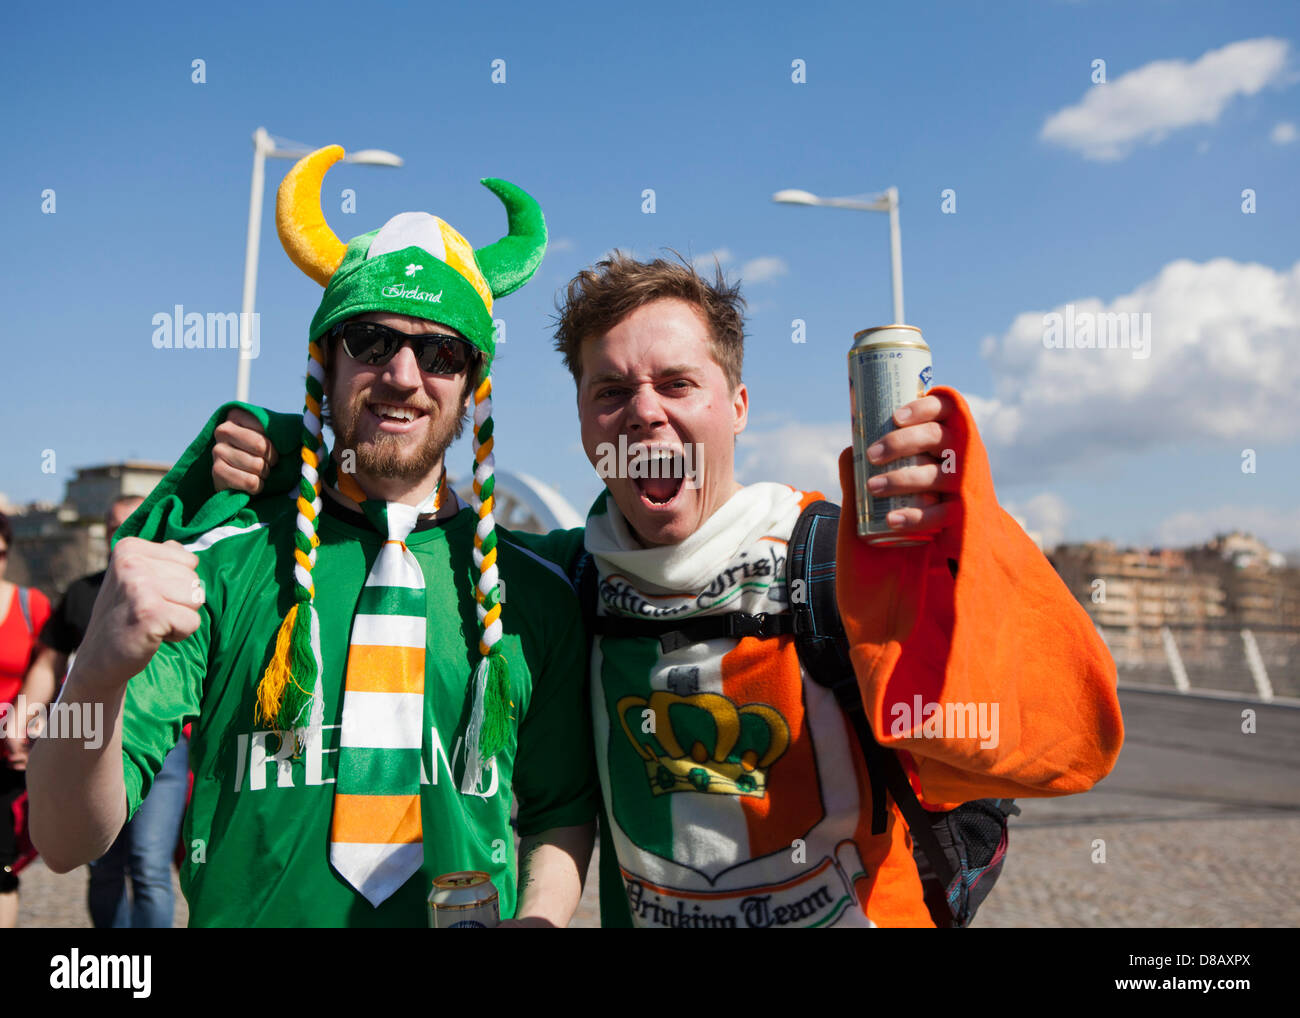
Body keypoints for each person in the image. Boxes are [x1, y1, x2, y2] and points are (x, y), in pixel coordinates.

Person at [180, 252, 1126, 927]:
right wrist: (308, 458)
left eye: (679, 382)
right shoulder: (556, 581)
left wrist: (963, 544)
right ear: (587, 425)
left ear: (738, 405)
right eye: (611, 392)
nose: (645, 411)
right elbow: (411, 509)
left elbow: (1061, 748)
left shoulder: (836, 559)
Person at [27, 146, 597, 927]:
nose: (403, 374)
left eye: (441, 352)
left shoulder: (536, 594)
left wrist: (541, 919)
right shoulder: (219, 564)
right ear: (324, 362)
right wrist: (91, 674)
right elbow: (62, 840)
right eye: (370, 341)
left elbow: (560, 811)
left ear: (472, 384)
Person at [10, 495, 191, 928]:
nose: (119, 534)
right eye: (111, 526)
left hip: (164, 747)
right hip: (87, 738)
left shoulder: (176, 593)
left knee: (149, 864)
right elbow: (49, 665)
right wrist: (22, 719)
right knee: (102, 865)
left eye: (130, 523)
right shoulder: (82, 593)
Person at [0, 511, 52, 927]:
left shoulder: (31, 605)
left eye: (0, 553)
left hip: (10, 755)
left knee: (2, 868)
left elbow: (50, 675)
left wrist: (31, 735)